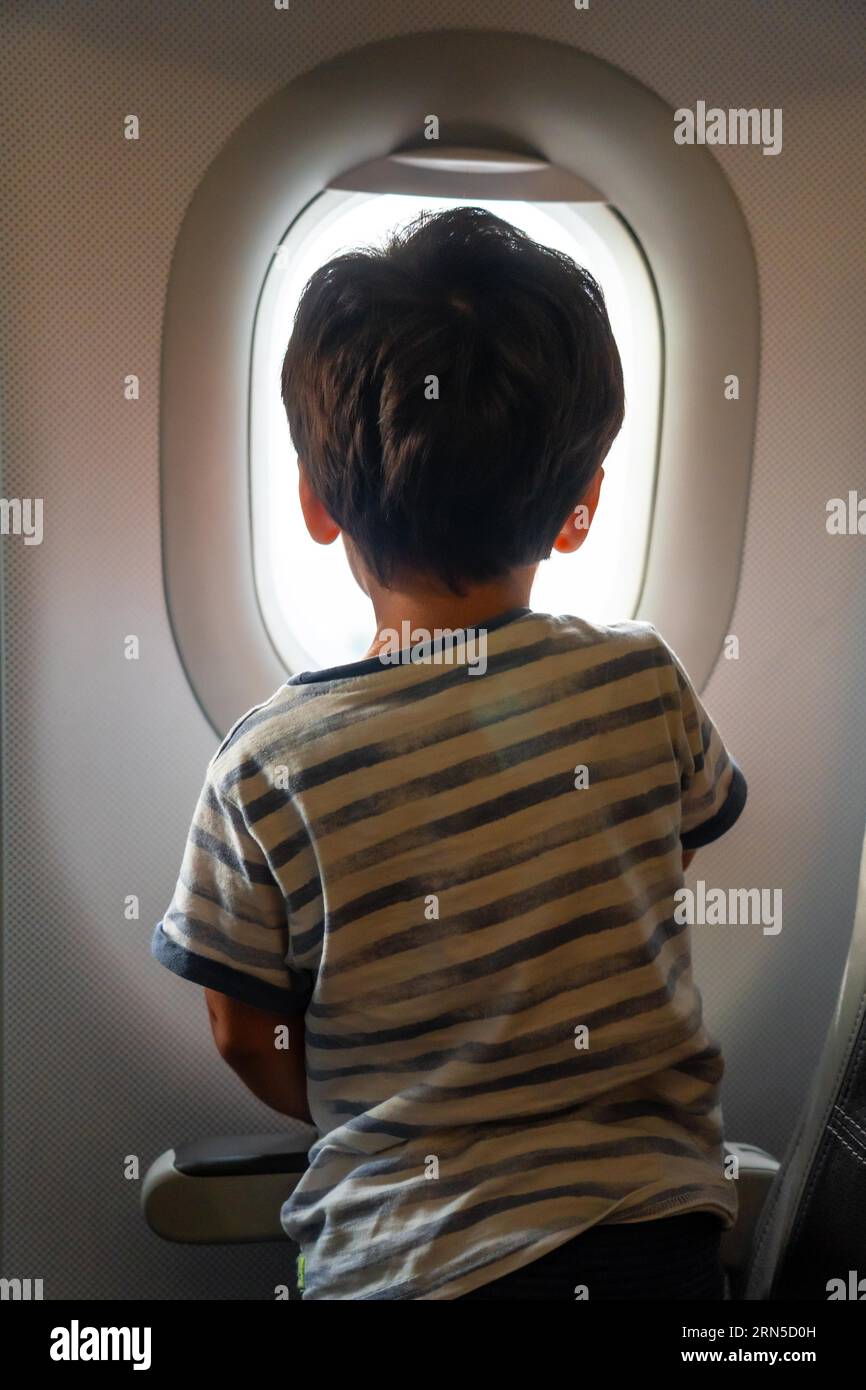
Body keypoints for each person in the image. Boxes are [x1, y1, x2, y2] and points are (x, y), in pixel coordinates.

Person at [152, 206, 747, 1300]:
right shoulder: (641, 680)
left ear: (314, 503)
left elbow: (243, 1034)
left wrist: (386, 1111)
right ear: (582, 507)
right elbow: (640, 889)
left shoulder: (267, 766)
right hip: (656, 1246)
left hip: (405, 1265)